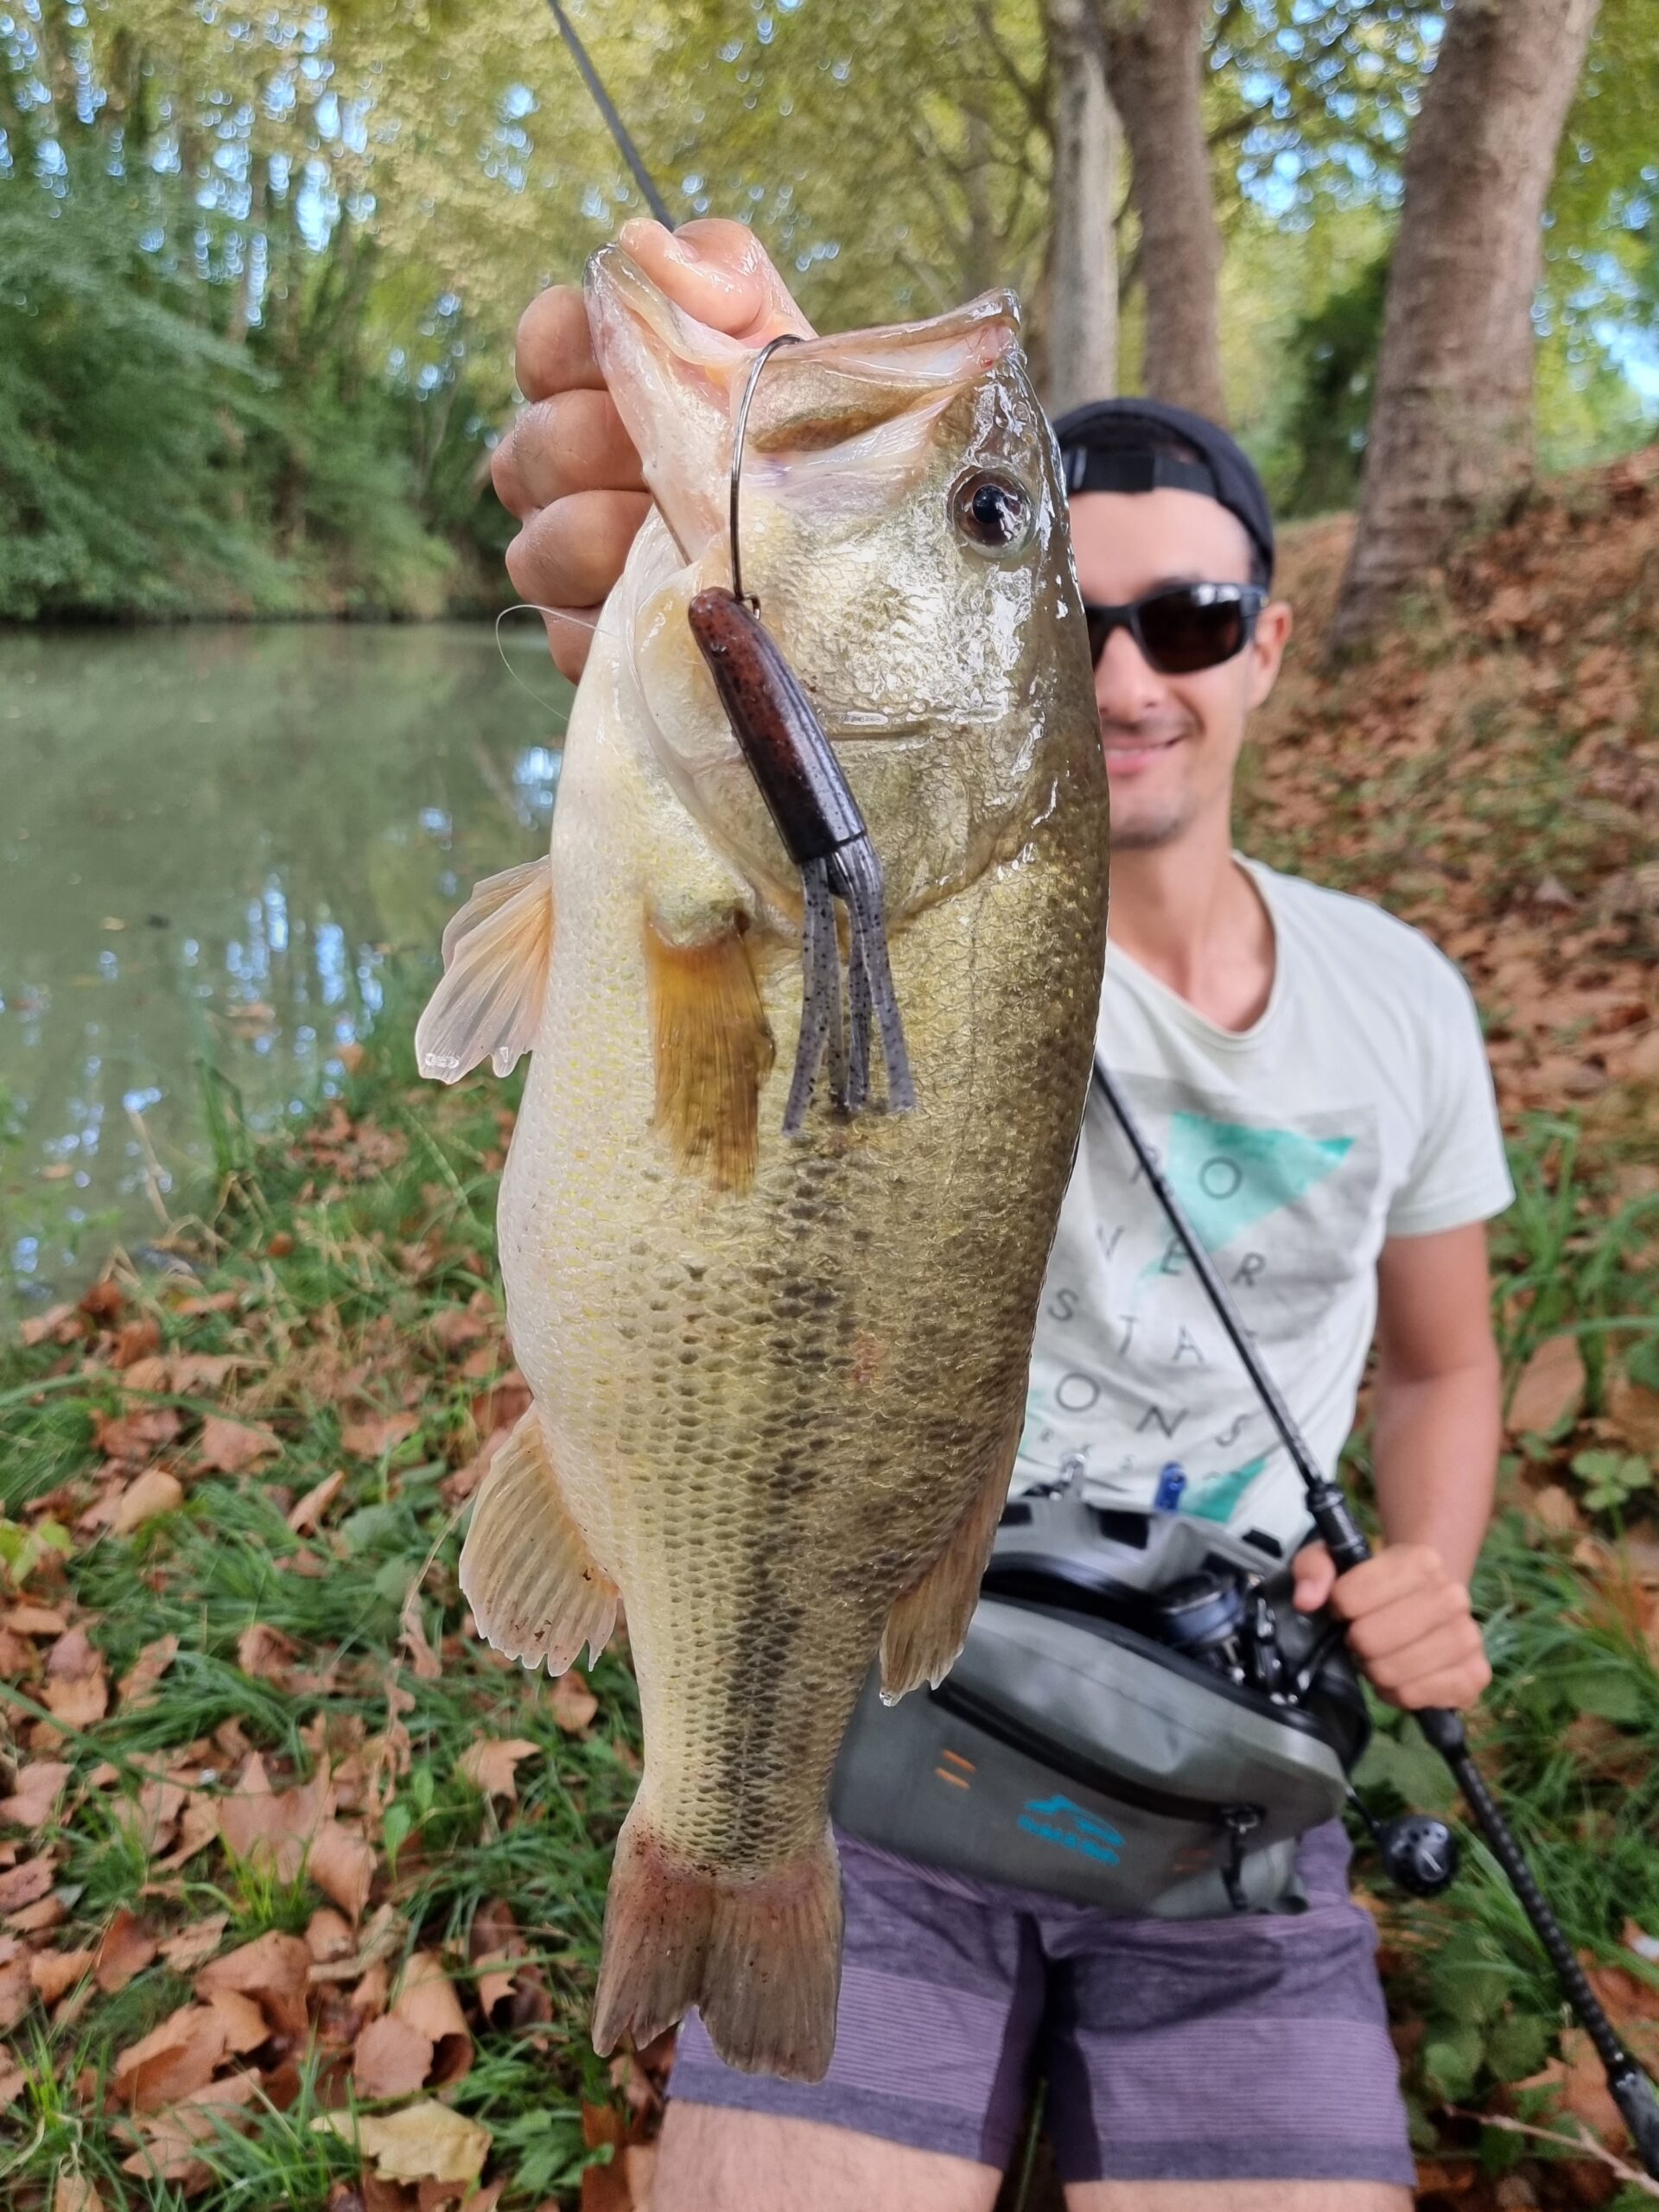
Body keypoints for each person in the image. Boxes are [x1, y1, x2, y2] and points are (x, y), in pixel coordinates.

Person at [492, 219, 1512, 2212]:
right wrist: (685, 491)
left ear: (1267, 646)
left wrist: (1434, 1555)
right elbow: (758, 766)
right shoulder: (864, 863)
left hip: (1231, 1778)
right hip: (885, 1743)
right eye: (1068, 611)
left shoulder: (1403, 1002)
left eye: (1192, 620)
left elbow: (1448, 1357)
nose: (1126, 675)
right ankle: (735, 1856)